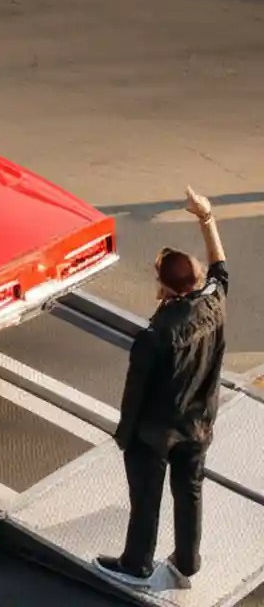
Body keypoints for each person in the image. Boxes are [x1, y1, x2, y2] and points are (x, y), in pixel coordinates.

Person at [95, 186, 227, 589]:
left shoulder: (156, 334)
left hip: (155, 432)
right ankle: (186, 562)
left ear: (166, 288)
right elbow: (220, 265)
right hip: (199, 423)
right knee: (189, 492)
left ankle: (136, 565)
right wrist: (206, 217)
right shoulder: (215, 300)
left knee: (146, 500)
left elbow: (135, 392)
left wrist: (125, 435)